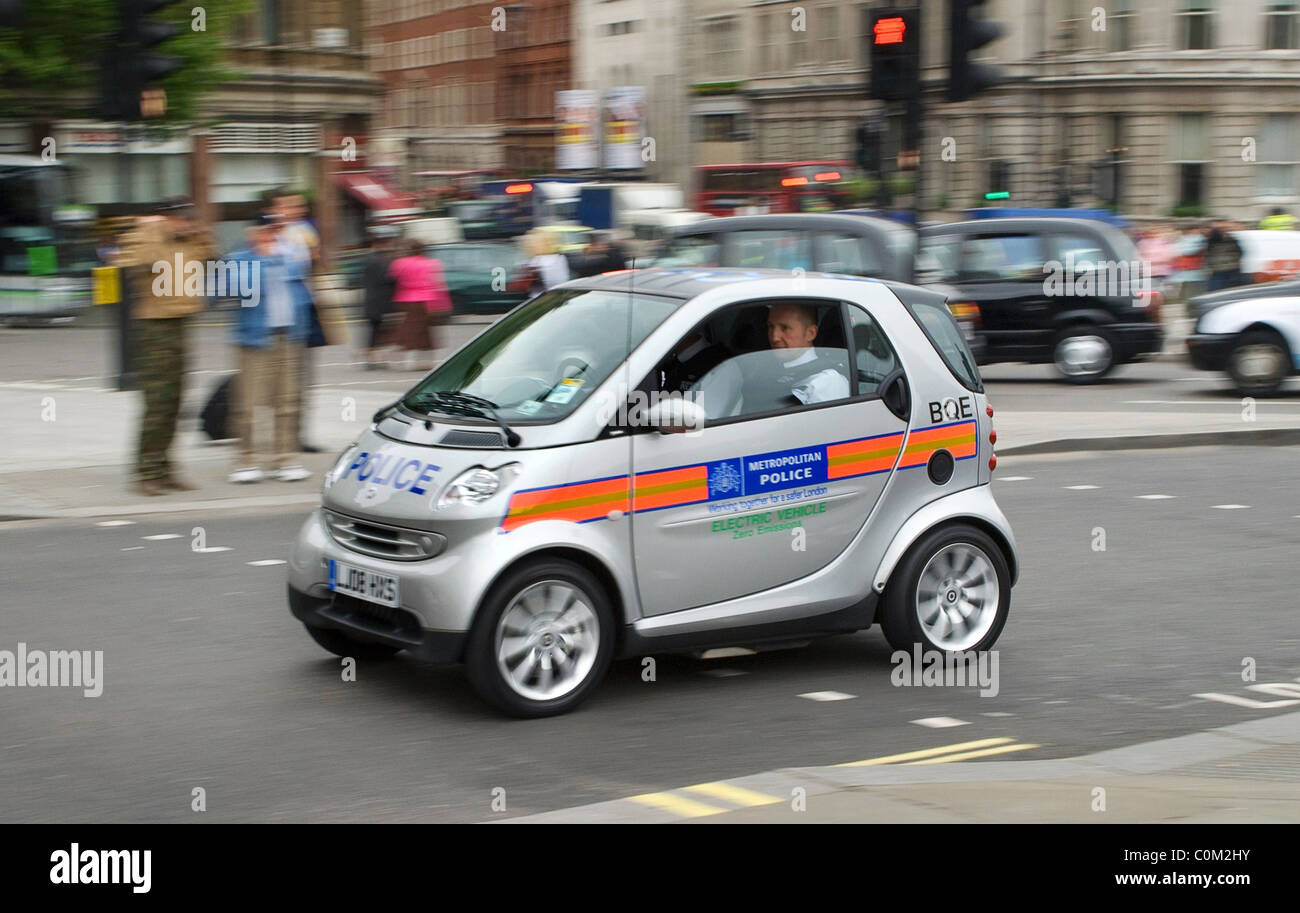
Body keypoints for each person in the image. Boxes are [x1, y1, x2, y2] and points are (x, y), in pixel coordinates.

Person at [114, 198, 216, 496]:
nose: (185, 223)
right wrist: (151, 229)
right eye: (179, 218)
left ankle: (166, 469)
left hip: (181, 324)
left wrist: (197, 230)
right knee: (157, 405)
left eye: (188, 218)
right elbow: (137, 260)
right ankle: (145, 473)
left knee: (176, 403)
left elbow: (210, 254)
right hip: (154, 328)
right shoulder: (145, 240)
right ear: (164, 218)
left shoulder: (189, 243)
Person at [226, 216, 313, 484]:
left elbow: (304, 289)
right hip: (255, 339)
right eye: (264, 232)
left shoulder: (291, 256)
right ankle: (246, 460)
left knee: (287, 401)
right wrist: (265, 260)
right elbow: (234, 289)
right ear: (252, 234)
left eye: (274, 231)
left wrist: (287, 257)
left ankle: (285, 459)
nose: (270, 237)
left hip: (289, 336)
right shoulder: (239, 259)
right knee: (249, 404)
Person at [268, 189, 326, 452]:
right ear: (275, 208)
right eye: (288, 205)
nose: (295, 210)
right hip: (274, 319)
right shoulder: (265, 235)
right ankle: (277, 438)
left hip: (302, 314)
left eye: (299, 206)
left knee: (301, 380)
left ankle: (297, 436)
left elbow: (312, 267)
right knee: (276, 381)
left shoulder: (306, 232)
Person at [740, 302, 850, 412]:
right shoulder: (764, 371)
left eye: (784, 328)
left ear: (810, 333)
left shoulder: (827, 382)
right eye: (770, 327)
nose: (774, 337)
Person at [388, 238, 452, 372]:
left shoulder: (400, 263)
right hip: (426, 300)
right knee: (425, 331)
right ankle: (424, 360)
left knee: (410, 327)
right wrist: (443, 302)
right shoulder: (432, 263)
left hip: (405, 299)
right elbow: (437, 284)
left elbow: (394, 278)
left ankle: (406, 356)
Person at [361, 230, 397, 369]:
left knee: (374, 331)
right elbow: (386, 278)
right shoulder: (379, 260)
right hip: (378, 302)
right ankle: (372, 361)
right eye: (387, 243)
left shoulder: (370, 258)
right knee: (376, 331)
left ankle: (372, 359)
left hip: (372, 300)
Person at [523, 229, 569, 294]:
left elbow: (558, 284)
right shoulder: (532, 261)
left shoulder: (556, 260)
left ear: (546, 243)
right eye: (529, 242)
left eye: (536, 242)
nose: (531, 245)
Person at [1204, 220, 1244, 291]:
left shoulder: (1231, 238)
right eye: (1220, 228)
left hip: (1229, 270)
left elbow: (1240, 252)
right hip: (1220, 271)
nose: (1223, 229)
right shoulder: (1214, 238)